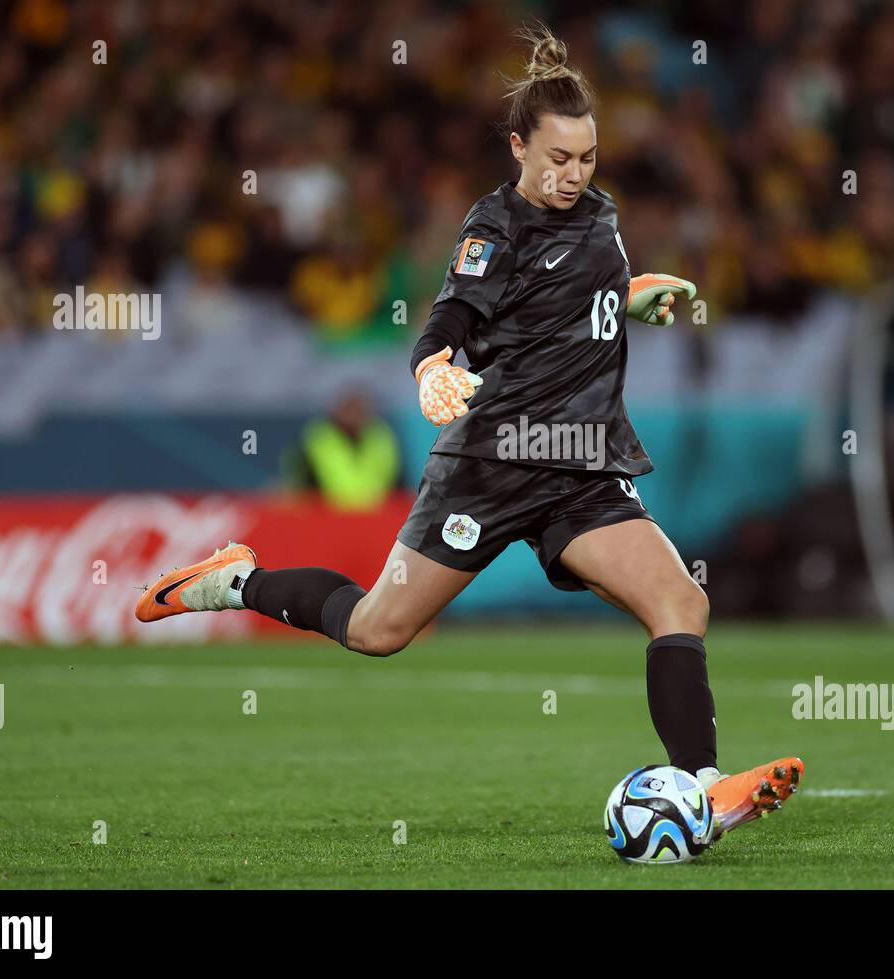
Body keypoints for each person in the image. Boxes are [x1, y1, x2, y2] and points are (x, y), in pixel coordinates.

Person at [135, 26, 801, 841]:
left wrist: (630, 295)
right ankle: (236, 579)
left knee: (680, 600)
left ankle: (705, 787)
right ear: (520, 146)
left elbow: (577, 291)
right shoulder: (494, 229)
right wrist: (432, 371)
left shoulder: (600, 214)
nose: (573, 174)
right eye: (557, 158)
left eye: (587, 157)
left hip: (582, 465)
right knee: (379, 630)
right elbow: (447, 320)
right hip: (491, 464)